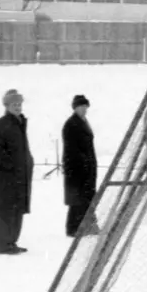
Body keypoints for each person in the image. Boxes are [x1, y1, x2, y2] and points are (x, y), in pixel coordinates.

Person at [0, 89, 34, 255]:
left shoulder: (20, 123)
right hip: (7, 177)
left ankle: (12, 242)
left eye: (19, 104)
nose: (18, 107)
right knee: (5, 211)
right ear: (6, 105)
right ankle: (2, 245)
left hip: (21, 176)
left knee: (18, 210)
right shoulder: (0, 124)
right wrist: (11, 164)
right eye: (14, 104)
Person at [62, 94, 99, 238]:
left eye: (85, 107)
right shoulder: (71, 124)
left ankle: (87, 225)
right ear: (75, 108)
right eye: (81, 107)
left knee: (86, 197)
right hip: (76, 168)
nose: (84, 109)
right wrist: (82, 162)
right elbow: (71, 149)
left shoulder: (84, 122)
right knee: (77, 199)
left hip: (87, 166)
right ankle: (73, 228)